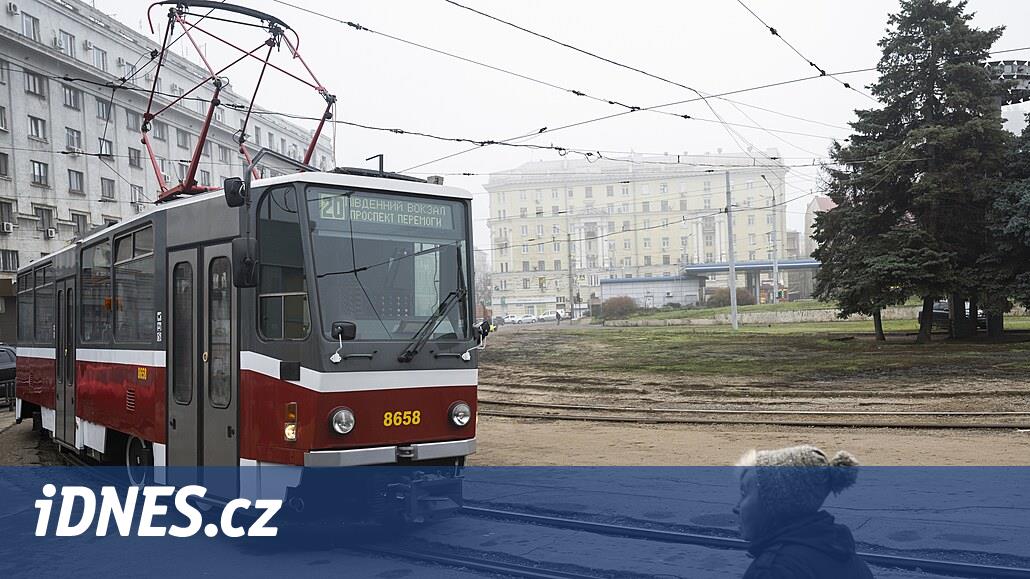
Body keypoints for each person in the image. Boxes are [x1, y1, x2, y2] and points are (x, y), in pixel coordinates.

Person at [734, 445, 873, 579]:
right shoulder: (850, 559)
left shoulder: (772, 571)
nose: (736, 507)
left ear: (775, 502)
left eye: (744, 493)